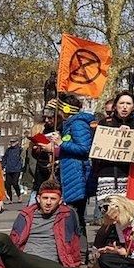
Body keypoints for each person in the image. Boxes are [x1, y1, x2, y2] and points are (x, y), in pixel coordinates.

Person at [37, 94, 94, 242]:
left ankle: (80, 250)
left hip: (76, 175)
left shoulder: (77, 124)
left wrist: (61, 143)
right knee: (72, 216)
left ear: (65, 110)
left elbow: (84, 148)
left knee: (75, 217)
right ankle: (74, 248)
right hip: (70, 173)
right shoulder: (69, 125)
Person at [96, 91, 134, 202]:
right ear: (115, 106)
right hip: (109, 175)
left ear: (133, 107)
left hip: (132, 177)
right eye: (121, 103)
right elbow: (97, 148)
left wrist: (131, 135)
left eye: (128, 104)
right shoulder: (105, 123)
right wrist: (116, 135)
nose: (125, 107)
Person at [2, 139, 23, 203]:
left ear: (17, 142)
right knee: (7, 184)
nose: (12, 143)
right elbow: (4, 158)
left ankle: (19, 195)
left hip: (16, 169)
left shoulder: (20, 149)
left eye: (13, 142)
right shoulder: (8, 150)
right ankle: (10, 199)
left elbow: (22, 158)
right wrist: (3, 166)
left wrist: (21, 166)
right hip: (9, 169)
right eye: (11, 142)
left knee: (15, 183)